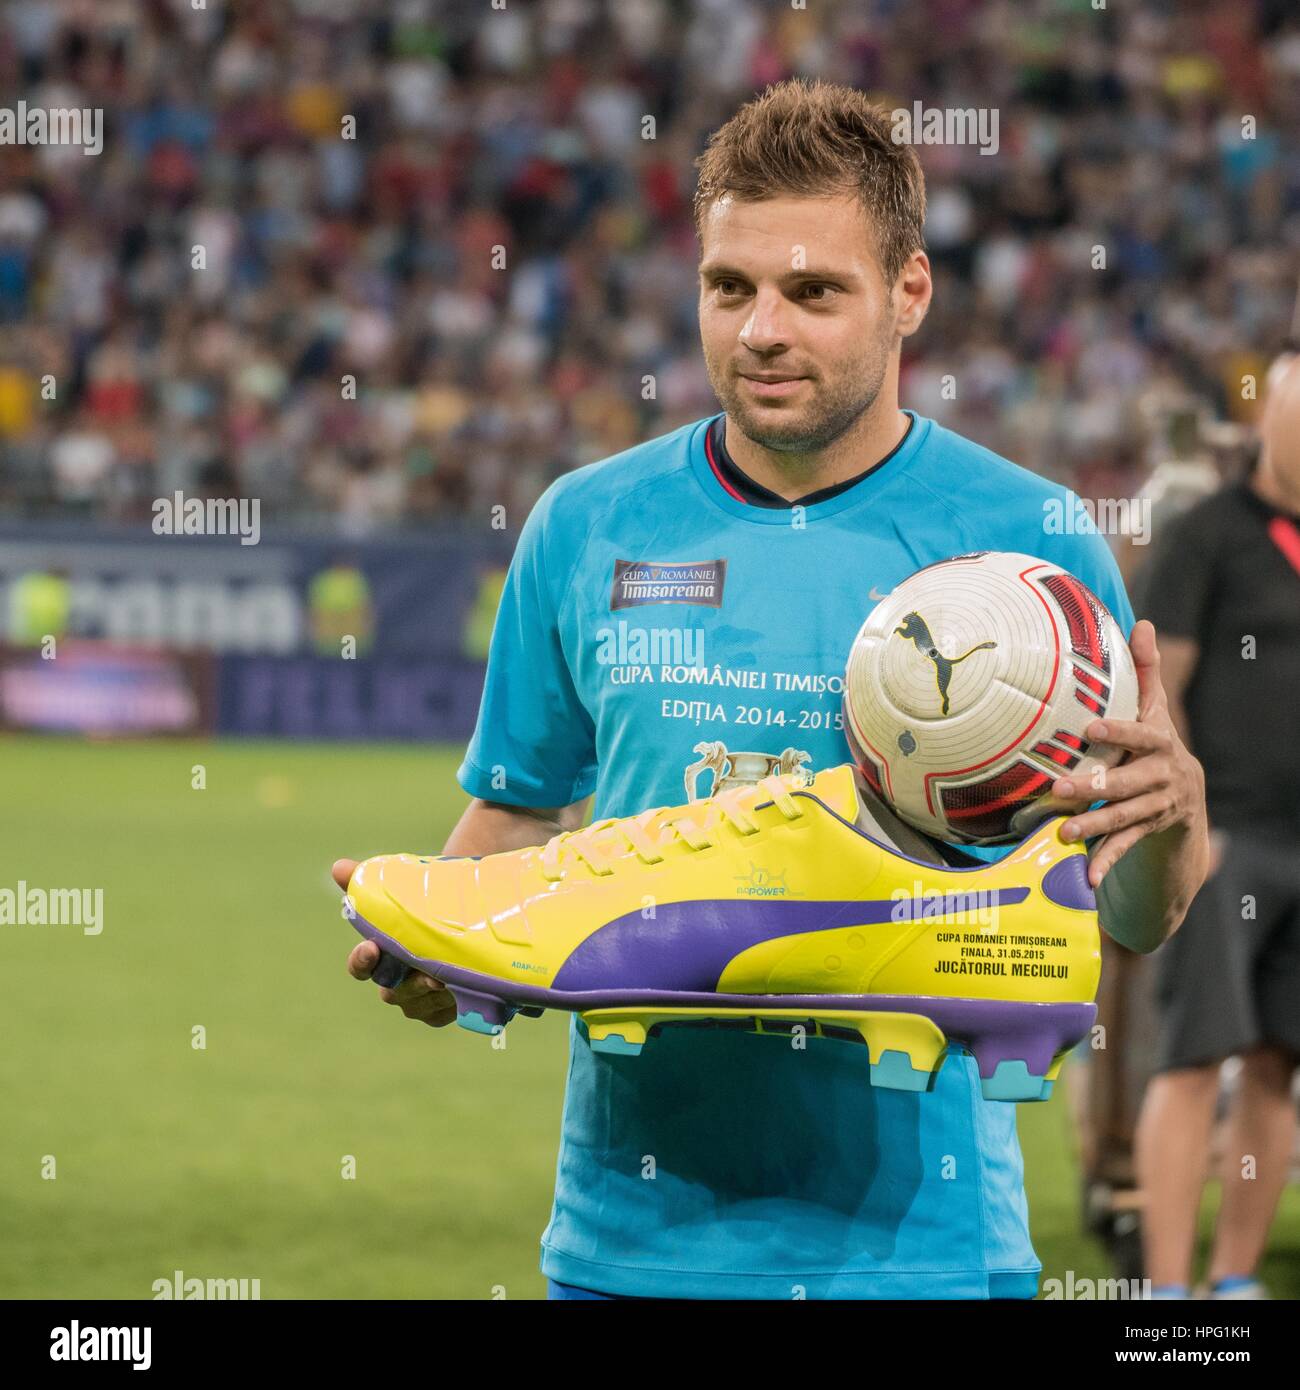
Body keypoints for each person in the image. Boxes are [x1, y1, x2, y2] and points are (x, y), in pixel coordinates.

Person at [333, 79, 1208, 1300]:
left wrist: (1173, 814)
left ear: (910, 293)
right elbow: (517, 818)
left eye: (812, 291)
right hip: (626, 1243)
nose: (759, 329)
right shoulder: (586, 524)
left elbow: (1133, 913)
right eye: (728, 286)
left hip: (927, 1258)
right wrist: (444, 950)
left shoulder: (1030, 543)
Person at [1133, 355, 1300, 1301]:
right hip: (1225, 842)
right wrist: (1192, 825)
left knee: (1278, 1066)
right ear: (1268, 418)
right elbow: (1162, 692)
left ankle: (1233, 1280)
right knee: (1196, 1059)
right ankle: (1163, 1294)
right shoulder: (1208, 535)